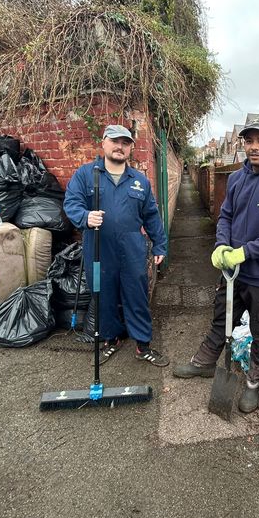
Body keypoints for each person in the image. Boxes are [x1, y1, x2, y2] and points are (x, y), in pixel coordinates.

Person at [173, 118, 259, 413]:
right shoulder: (237, 179)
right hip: (233, 272)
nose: (253, 147)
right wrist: (221, 245)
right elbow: (226, 215)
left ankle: (254, 382)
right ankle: (205, 362)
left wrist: (243, 252)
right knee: (223, 317)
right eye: (249, 141)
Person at [63, 124, 168, 367]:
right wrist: (85, 217)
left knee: (136, 296)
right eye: (115, 141)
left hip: (132, 249)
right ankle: (112, 339)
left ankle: (143, 345)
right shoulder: (87, 175)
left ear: (130, 147)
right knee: (103, 295)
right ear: (104, 142)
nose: (120, 146)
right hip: (98, 249)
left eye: (126, 142)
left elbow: (151, 215)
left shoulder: (139, 181)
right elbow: (72, 202)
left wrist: (160, 245)